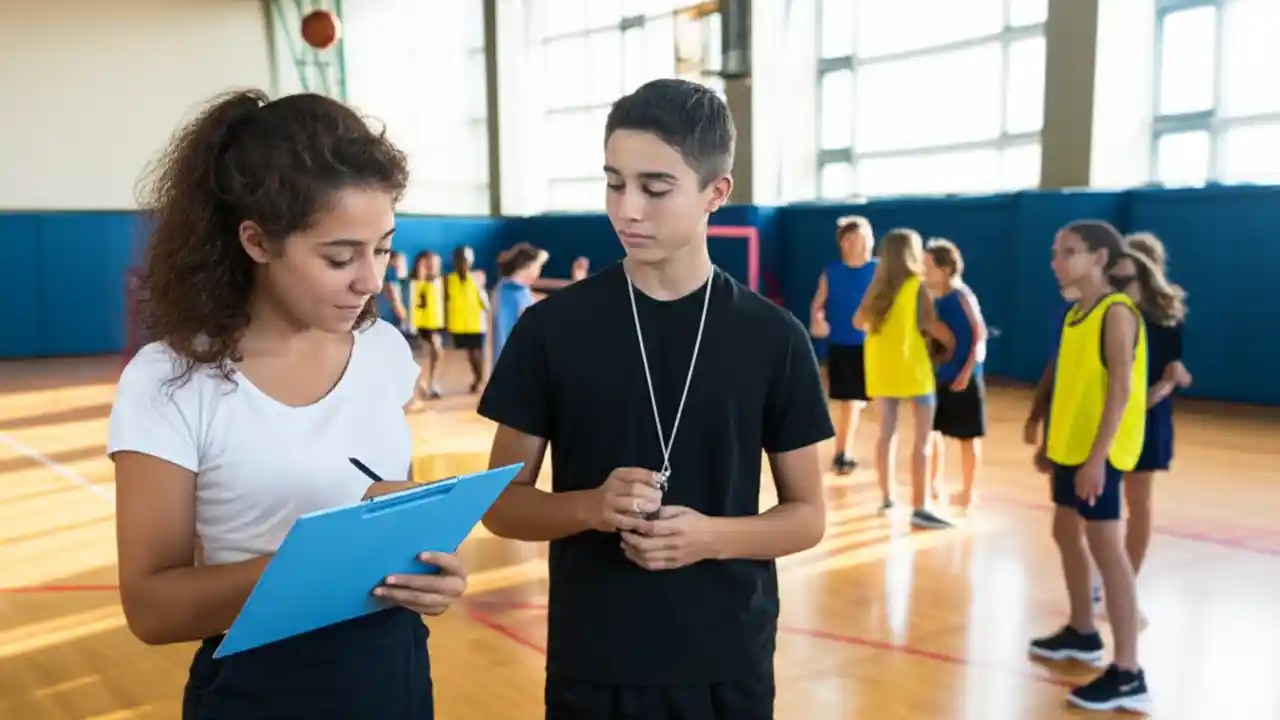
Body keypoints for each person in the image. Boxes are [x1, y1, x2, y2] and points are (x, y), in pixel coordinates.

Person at [476, 78, 832, 720]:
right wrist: (588, 505)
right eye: (614, 183)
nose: (626, 209)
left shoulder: (773, 337)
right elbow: (501, 508)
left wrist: (710, 538)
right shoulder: (551, 329)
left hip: (728, 661)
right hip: (595, 660)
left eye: (655, 188)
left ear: (715, 193)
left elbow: (807, 516)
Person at [107, 89, 467, 719]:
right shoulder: (170, 380)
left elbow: (371, 492)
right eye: (339, 256)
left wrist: (422, 561)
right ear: (257, 242)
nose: (372, 279)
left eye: (382, 247)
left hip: (394, 673)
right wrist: (337, 560)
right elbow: (152, 608)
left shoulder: (384, 353)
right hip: (261, 690)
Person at [1029, 220, 1151, 713]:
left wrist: (1097, 459)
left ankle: (1128, 671)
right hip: (1070, 449)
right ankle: (1082, 631)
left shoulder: (1115, 313)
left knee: (1108, 551)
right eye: (1057, 251)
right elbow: (1072, 384)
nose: (1057, 260)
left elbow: (1119, 392)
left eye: (1070, 252)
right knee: (1064, 531)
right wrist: (1050, 441)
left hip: (1097, 456)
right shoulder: (1074, 313)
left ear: (1100, 258)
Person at [855, 228, 954, 528]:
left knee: (887, 433)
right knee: (923, 440)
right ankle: (920, 506)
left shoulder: (876, 288)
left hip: (883, 371)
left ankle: (887, 497)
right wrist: (952, 342)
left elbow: (857, 321)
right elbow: (929, 323)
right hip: (913, 371)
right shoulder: (917, 286)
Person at [1108, 241, 1190, 578]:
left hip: (1145, 419)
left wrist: (1160, 389)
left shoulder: (1165, 321)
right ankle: (1111, 571)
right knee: (1106, 502)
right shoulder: (1109, 314)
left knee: (1137, 500)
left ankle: (1126, 578)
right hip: (1114, 413)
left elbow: (1171, 370)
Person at [922, 238, 988, 511]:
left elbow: (978, 336)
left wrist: (967, 372)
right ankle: (933, 484)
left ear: (946, 268)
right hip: (937, 377)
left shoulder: (961, 296)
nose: (924, 271)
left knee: (967, 437)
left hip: (963, 378)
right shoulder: (930, 299)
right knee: (932, 432)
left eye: (928, 266)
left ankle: (969, 491)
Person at [809, 215, 877, 474]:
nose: (864, 242)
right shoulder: (832, 272)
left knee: (868, 404)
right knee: (849, 402)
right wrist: (817, 319)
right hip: (842, 346)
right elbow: (817, 304)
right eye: (857, 237)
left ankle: (869, 451)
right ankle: (841, 452)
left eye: (866, 236)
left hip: (873, 347)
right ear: (845, 242)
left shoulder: (878, 270)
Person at [491, 242, 549, 364]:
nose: (539, 271)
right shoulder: (518, 295)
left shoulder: (501, 289)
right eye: (538, 266)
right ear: (527, 266)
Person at [446, 245, 488, 393]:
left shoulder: (477, 277)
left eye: (465, 260)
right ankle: (477, 378)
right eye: (459, 260)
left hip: (476, 322)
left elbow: (484, 301)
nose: (462, 263)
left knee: (477, 351)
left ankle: (481, 380)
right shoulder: (449, 279)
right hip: (459, 323)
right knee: (470, 353)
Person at [409, 250, 445, 402]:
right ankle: (419, 386)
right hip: (416, 324)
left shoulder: (438, 281)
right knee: (418, 356)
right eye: (428, 263)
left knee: (437, 350)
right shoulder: (413, 283)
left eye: (435, 264)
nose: (432, 267)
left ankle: (431, 383)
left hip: (432, 324)